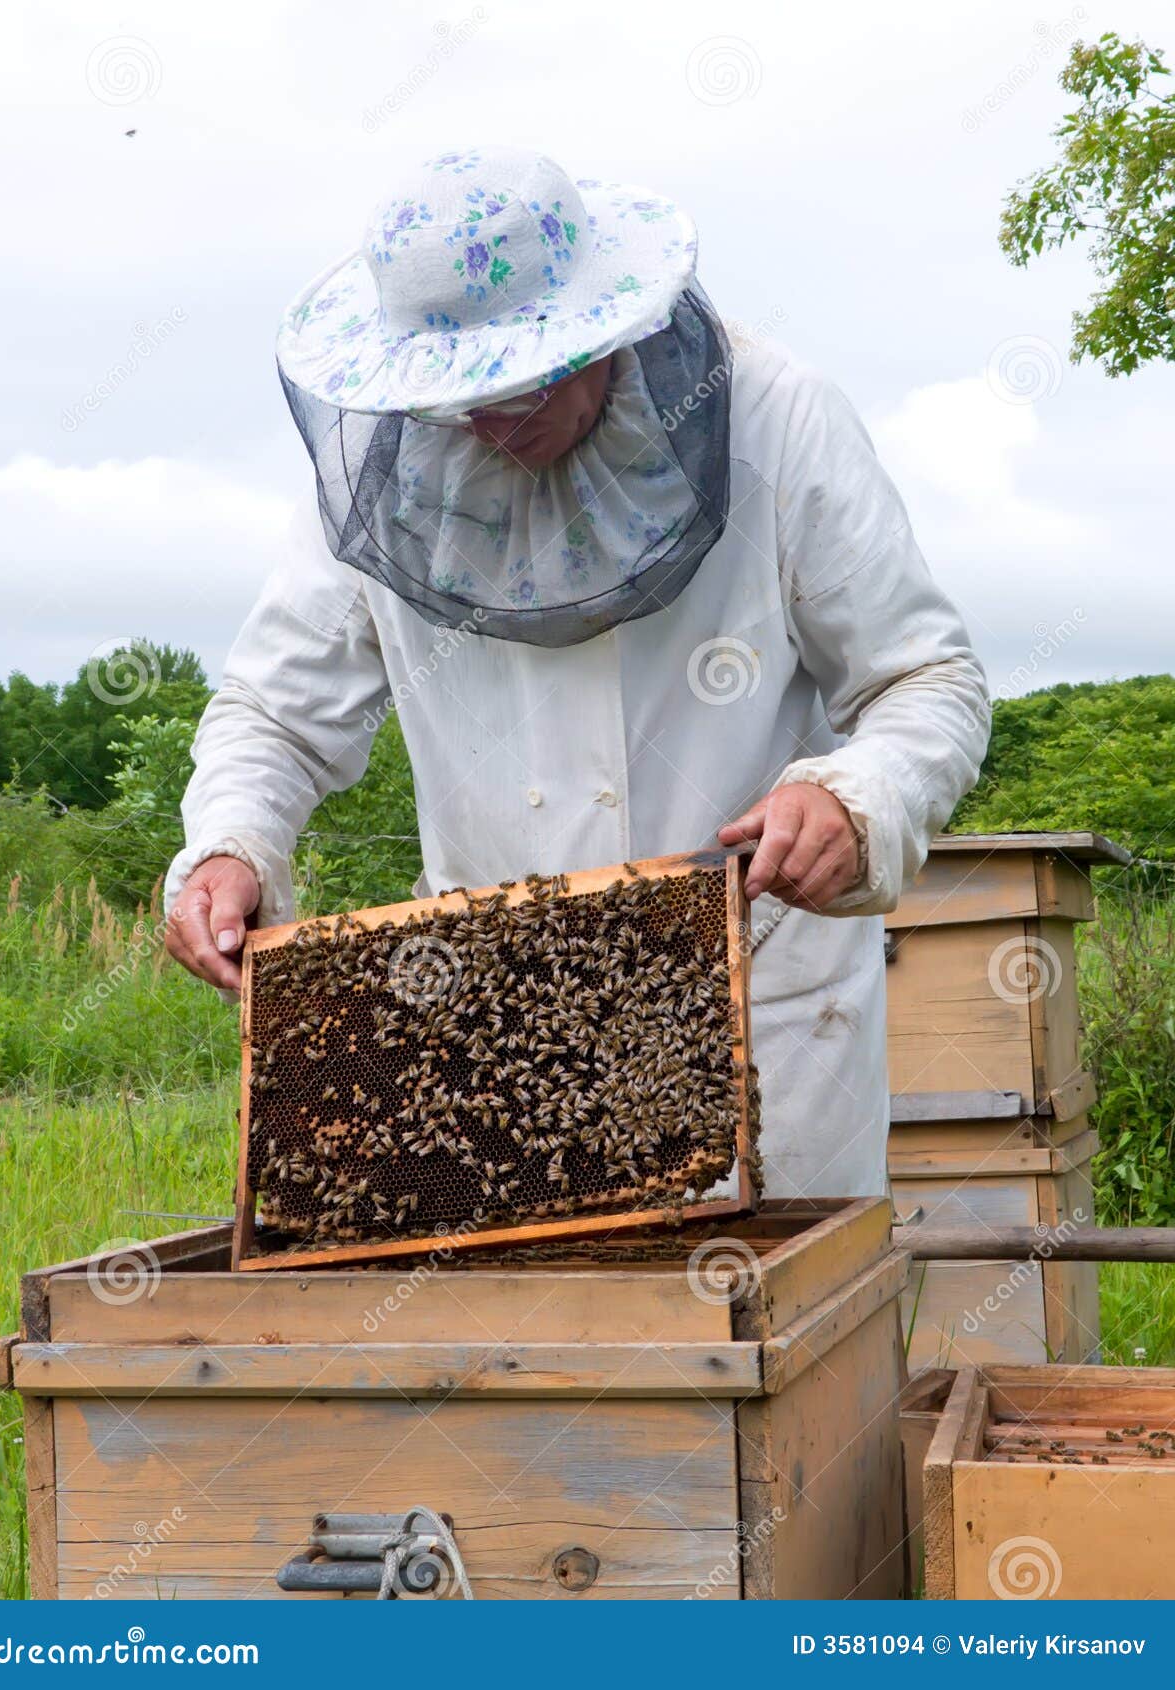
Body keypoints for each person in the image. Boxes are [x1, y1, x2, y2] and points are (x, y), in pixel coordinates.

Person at [164, 145, 990, 1198]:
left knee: (778, 1302)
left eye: (524, 379)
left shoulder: (776, 418)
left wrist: (859, 798)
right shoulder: (384, 475)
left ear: (610, 321)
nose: (495, 419)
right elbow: (274, 712)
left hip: (768, 1018)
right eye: (462, 395)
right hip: (488, 1039)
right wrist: (231, 841)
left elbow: (928, 680)